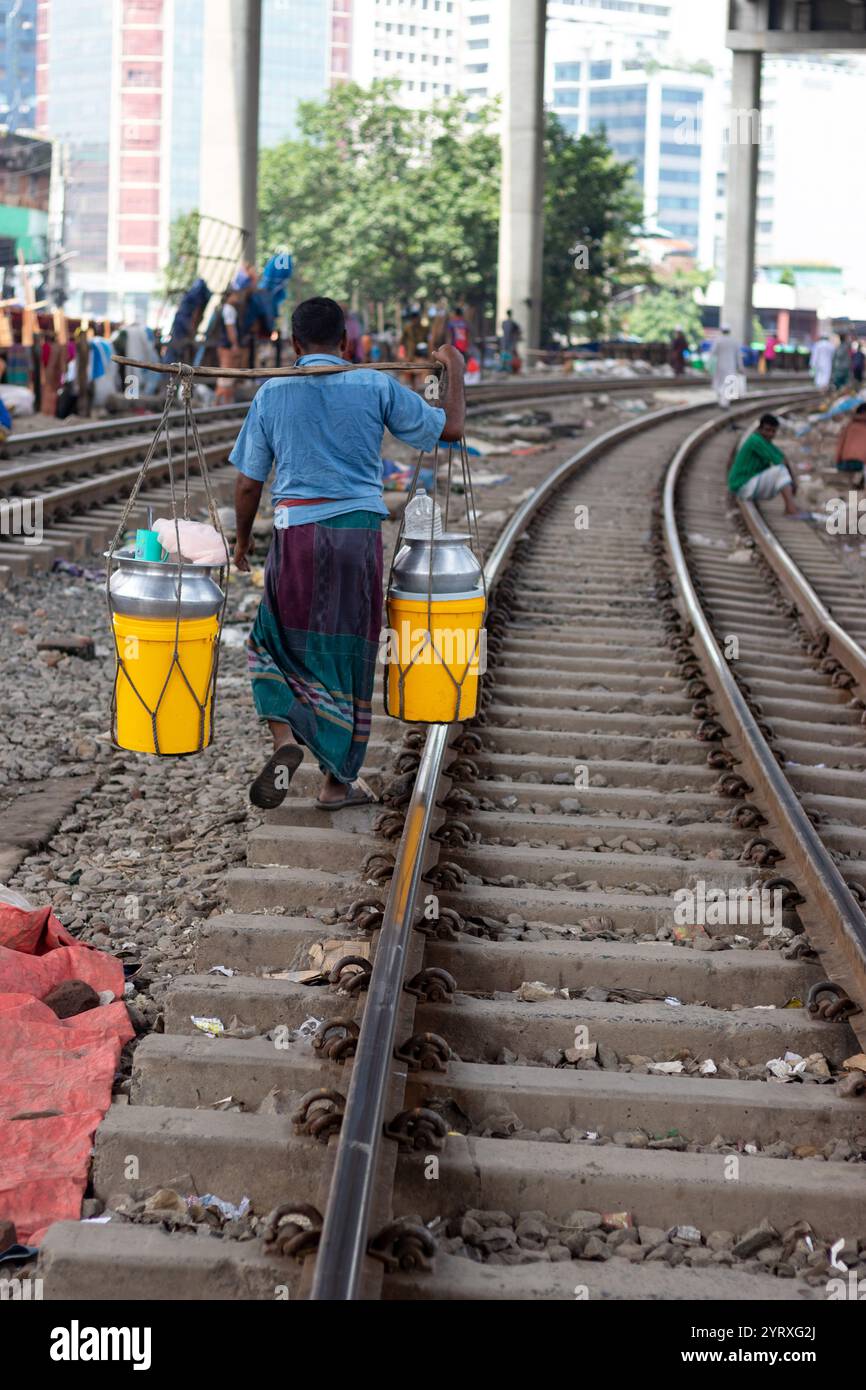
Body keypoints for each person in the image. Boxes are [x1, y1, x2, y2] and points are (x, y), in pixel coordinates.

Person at [230, 297, 466, 811]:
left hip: (297, 536)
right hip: (357, 534)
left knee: (271, 643)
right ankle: (336, 783)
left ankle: (285, 741)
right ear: (347, 342)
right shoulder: (374, 383)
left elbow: (248, 484)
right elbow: (449, 430)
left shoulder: (273, 392)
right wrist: (455, 371)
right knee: (350, 652)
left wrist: (242, 542)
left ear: (293, 345)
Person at [727, 413, 809, 518]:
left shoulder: (766, 443)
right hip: (741, 486)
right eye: (767, 430)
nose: (770, 434)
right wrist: (792, 482)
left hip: (748, 485)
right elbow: (780, 463)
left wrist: (793, 482)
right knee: (780, 471)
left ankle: (791, 507)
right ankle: (790, 509)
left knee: (781, 471)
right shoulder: (755, 440)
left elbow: (783, 458)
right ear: (759, 429)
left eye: (773, 431)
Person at [708, 325, 744, 409]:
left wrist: (709, 365)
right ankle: (724, 403)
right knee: (728, 384)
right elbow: (739, 355)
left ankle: (721, 399)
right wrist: (741, 367)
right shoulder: (734, 341)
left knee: (719, 383)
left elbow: (712, 353)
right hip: (731, 366)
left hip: (719, 365)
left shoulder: (718, 340)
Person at [834, 402, 866, 485]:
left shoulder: (849, 426)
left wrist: (837, 463)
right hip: (862, 464)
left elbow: (840, 446)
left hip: (846, 463)